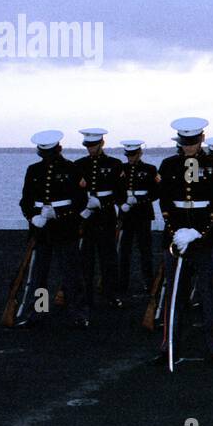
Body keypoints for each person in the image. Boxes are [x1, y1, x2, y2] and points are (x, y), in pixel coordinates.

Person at [155, 118, 213, 367]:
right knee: (174, 297)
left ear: (202, 140)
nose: (189, 147)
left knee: (210, 296)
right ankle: (168, 346)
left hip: (205, 240)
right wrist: (176, 232)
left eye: (193, 142)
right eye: (185, 143)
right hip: (176, 238)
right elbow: (164, 202)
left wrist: (198, 232)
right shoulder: (168, 165)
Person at [15, 130, 88, 328]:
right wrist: (33, 217)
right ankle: (39, 311)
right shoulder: (33, 170)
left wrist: (60, 215)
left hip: (65, 227)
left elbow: (81, 200)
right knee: (40, 274)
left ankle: (78, 313)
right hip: (41, 228)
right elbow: (26, 200)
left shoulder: (71, 169)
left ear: (58, 149)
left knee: (71, 273)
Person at [72, 127, 126, 309]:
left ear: (102, 143)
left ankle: (111, 294)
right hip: (86, 217)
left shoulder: (115, 164)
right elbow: (74, 192)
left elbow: (121, 193)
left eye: (94, 145)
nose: (90, 149)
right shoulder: (78, 165)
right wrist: (84, 206)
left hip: (106, 216)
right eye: (88, 146)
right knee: (85, 259)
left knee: (108, 258)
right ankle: (86, 297)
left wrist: (102, 203)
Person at [116, 139, 158, 298]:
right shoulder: (120, 169)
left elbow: (156, 192)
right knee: (124, 250)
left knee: (145, 249)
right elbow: (115, 189)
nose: (130, 158)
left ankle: (148, 281)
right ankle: (122, 283)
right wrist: (121, 203)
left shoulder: (150, 169)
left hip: (142, 213)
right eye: (128, 155)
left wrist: (140, 201)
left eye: (133, 155)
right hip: (126, 214)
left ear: (140, 153)